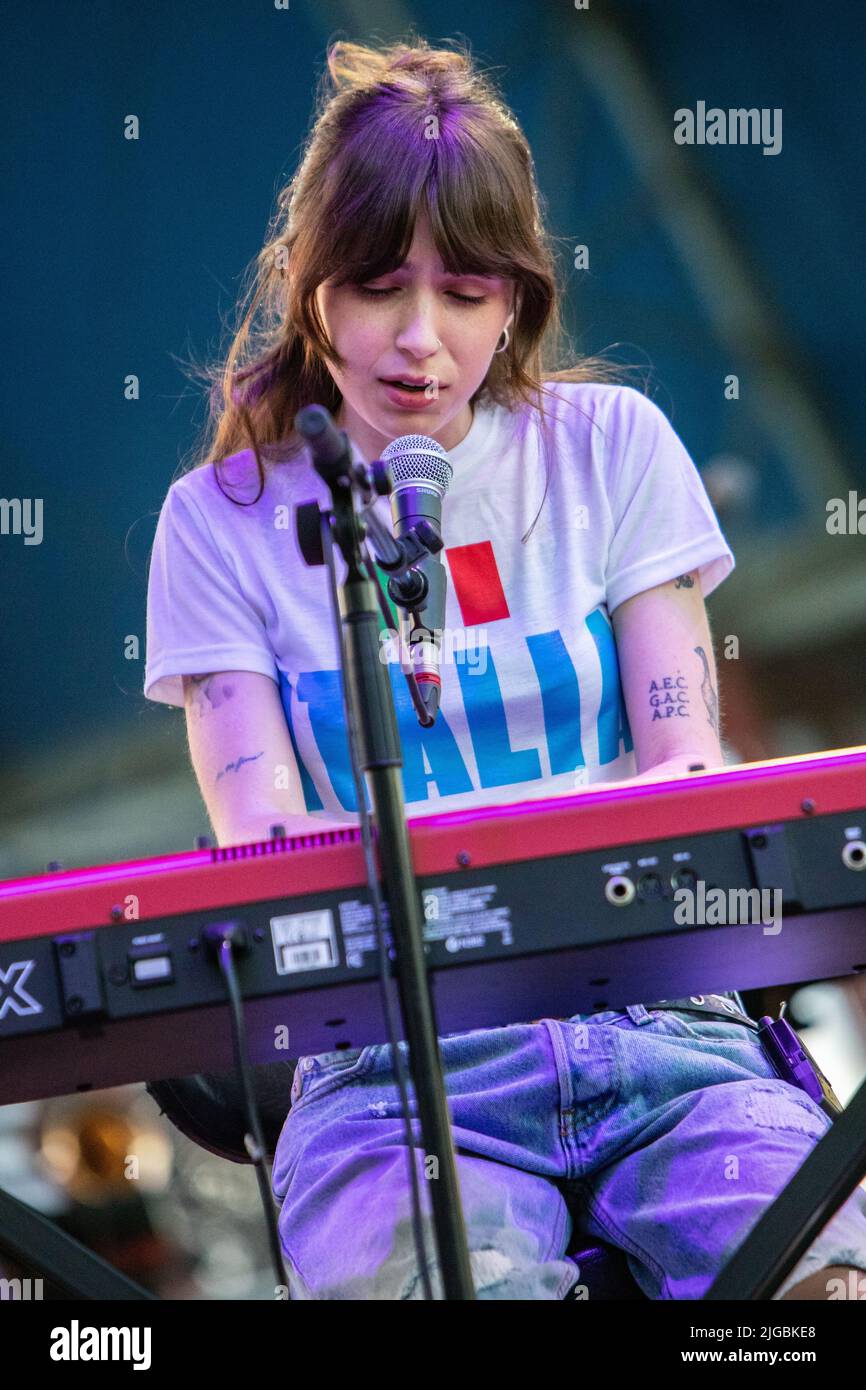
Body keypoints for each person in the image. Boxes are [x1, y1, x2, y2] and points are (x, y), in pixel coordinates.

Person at [143, 37, 866, 1300]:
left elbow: (683, 767)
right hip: (391, 1065)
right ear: (311, 285)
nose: (420, 340)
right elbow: (258, 837)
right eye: (378, 286)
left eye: (467, 294)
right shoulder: (220, 519)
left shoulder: (611, 446)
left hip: (665, 1025)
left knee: (821, 1280)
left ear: (519, 300)